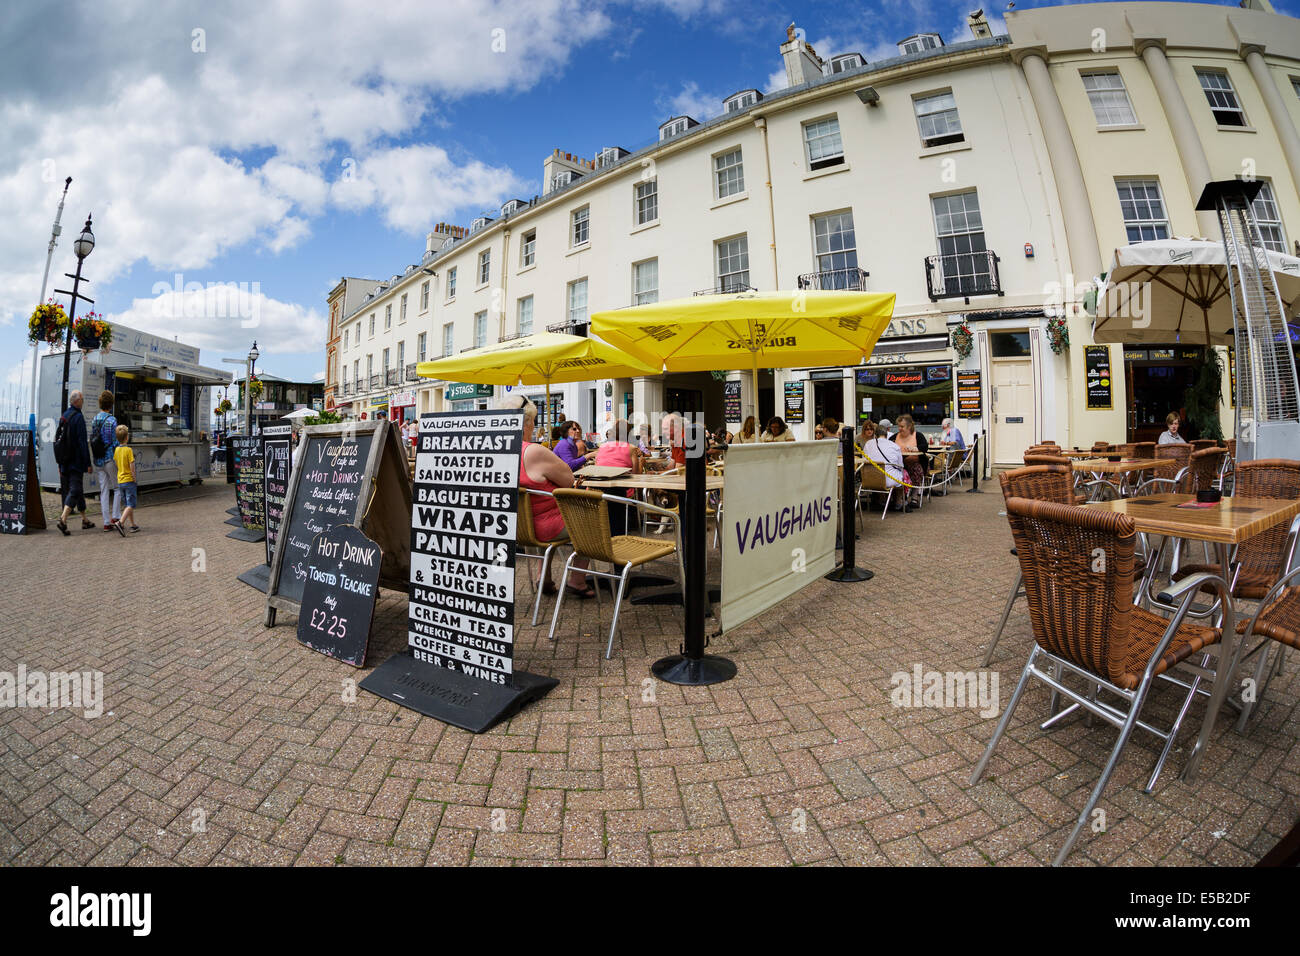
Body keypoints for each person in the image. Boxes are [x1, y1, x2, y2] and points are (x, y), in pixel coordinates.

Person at [506, 395, 593, 597]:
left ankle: (543, 577)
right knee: (591, 521)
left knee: (547, 514)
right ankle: (577, 580)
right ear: (526, 423)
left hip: (516, 525)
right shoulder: (534, 451)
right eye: (534, 422)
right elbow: (568, 479)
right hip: (543, 526)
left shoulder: (497, 451)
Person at [595, 419, 643, 536]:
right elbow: (636, 475)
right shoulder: (631, 448)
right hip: (622, 490)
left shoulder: (602, 447)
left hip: (600, 489)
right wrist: (641, 462)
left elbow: (597, 466)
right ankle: (622, 534)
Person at [56, 390, 94, 535]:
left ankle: (85, 520)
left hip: (65, 460)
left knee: (79, 489)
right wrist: (88, 463)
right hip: (76, 461)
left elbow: (59, 442)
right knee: (75, 490)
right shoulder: (78, 417)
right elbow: (82, 442)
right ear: (76, 401)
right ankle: (63, 519)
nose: (83, 402)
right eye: (82, 399)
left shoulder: (64, 416)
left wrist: (60, 464)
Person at [89, 390, 122, 532]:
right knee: (117, 487)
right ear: (111, 404)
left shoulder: (95, 419)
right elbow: (115, 442)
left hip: (98, 459)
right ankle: (115, 516)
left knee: (103, 490)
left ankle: (106, 523)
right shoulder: (112, 420)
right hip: (110, 458)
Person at [864, 424, 906, 510]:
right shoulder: (894, 446)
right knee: (903, 474)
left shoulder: (868, 444)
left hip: (870, 480)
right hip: (889, 480)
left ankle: (882, 499)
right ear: (887, 435)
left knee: (880, 472)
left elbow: (864, 461)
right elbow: (900, 465)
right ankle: (898, 501)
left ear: (875, 435)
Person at [894, 414, 928, 508]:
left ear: (909, 426)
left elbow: (925, 447)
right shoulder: (895, 436)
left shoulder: (918, 435)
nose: (899, 428)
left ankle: (914, 497)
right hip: (900, 464)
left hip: (915, 462)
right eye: (898, 426)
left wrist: (916, 448)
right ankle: (900, 497)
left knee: (915, 469)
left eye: (902, 426)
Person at [113, 425, 139, 534]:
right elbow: (132, 465)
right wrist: (134, 478)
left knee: (128, 504)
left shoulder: (116, 450)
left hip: (120, 480)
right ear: (127, 437)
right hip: (129, 480)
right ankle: (120, 522)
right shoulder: (129, 450)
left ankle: (133, 525)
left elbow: (116, 464)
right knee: (131, 504)